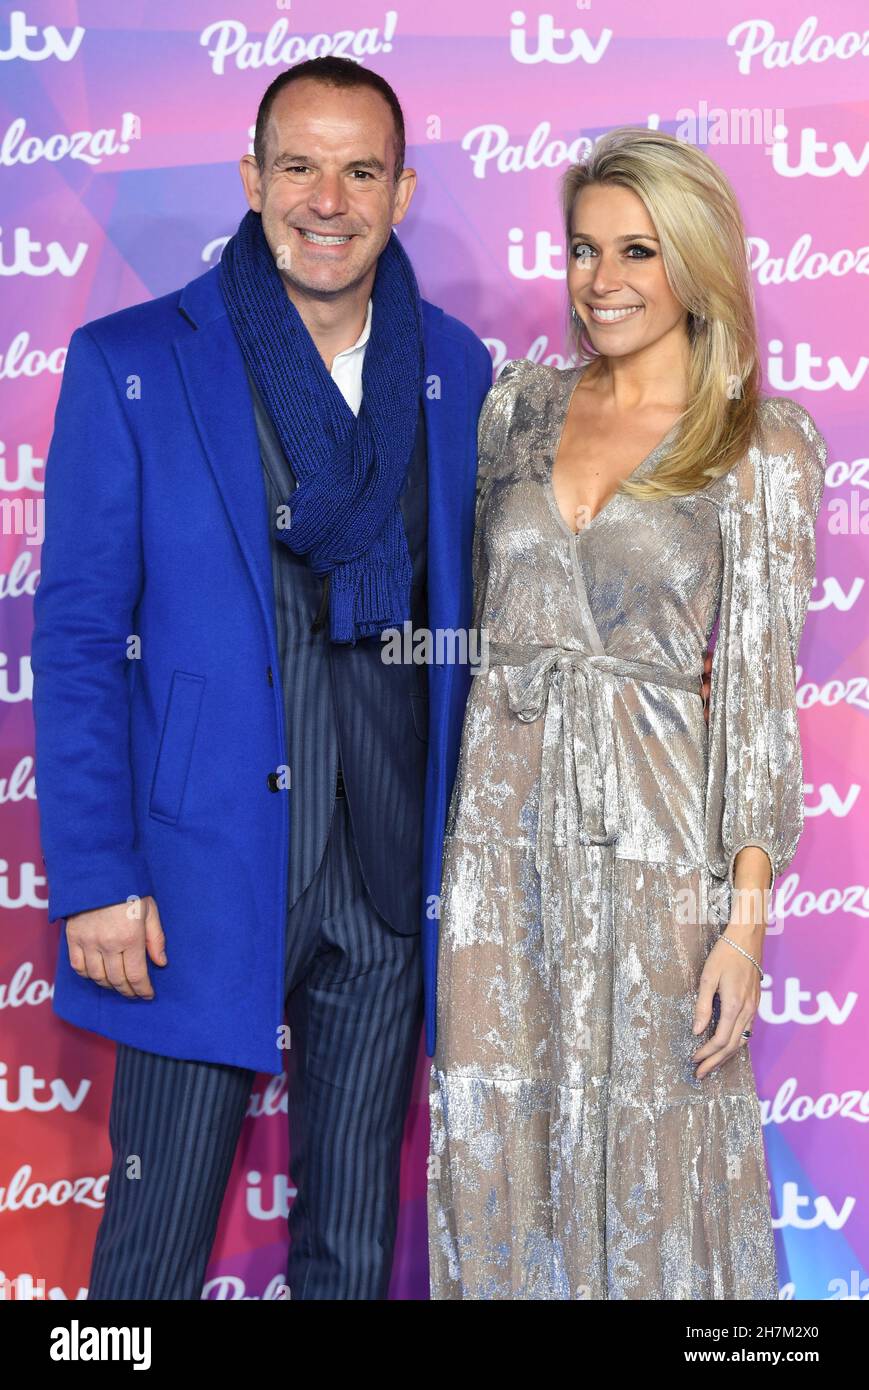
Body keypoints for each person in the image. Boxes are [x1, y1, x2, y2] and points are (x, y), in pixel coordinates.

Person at [31, 57, 491, 1300]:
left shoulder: (455, 371)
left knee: (352, 1254)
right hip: (192, 878)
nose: (326, 198)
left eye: (359, 170)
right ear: (249, 178)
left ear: (401, 192)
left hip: (387, 881)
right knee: (144, 1265)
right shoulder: (131, 360)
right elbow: (75, 639)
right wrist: (98, 875)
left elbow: (477, 623)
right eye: (298, 164)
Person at [427, 127, 826, 1300]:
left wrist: (741, 927)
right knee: (499, 1131)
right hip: (497, 846)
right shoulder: (515, 411)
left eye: (636, 251)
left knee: (659, 1145)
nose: (600, 279)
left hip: (657, 852)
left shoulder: (761, 446)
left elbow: (754, 705)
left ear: (693, 267)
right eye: (583, 249)